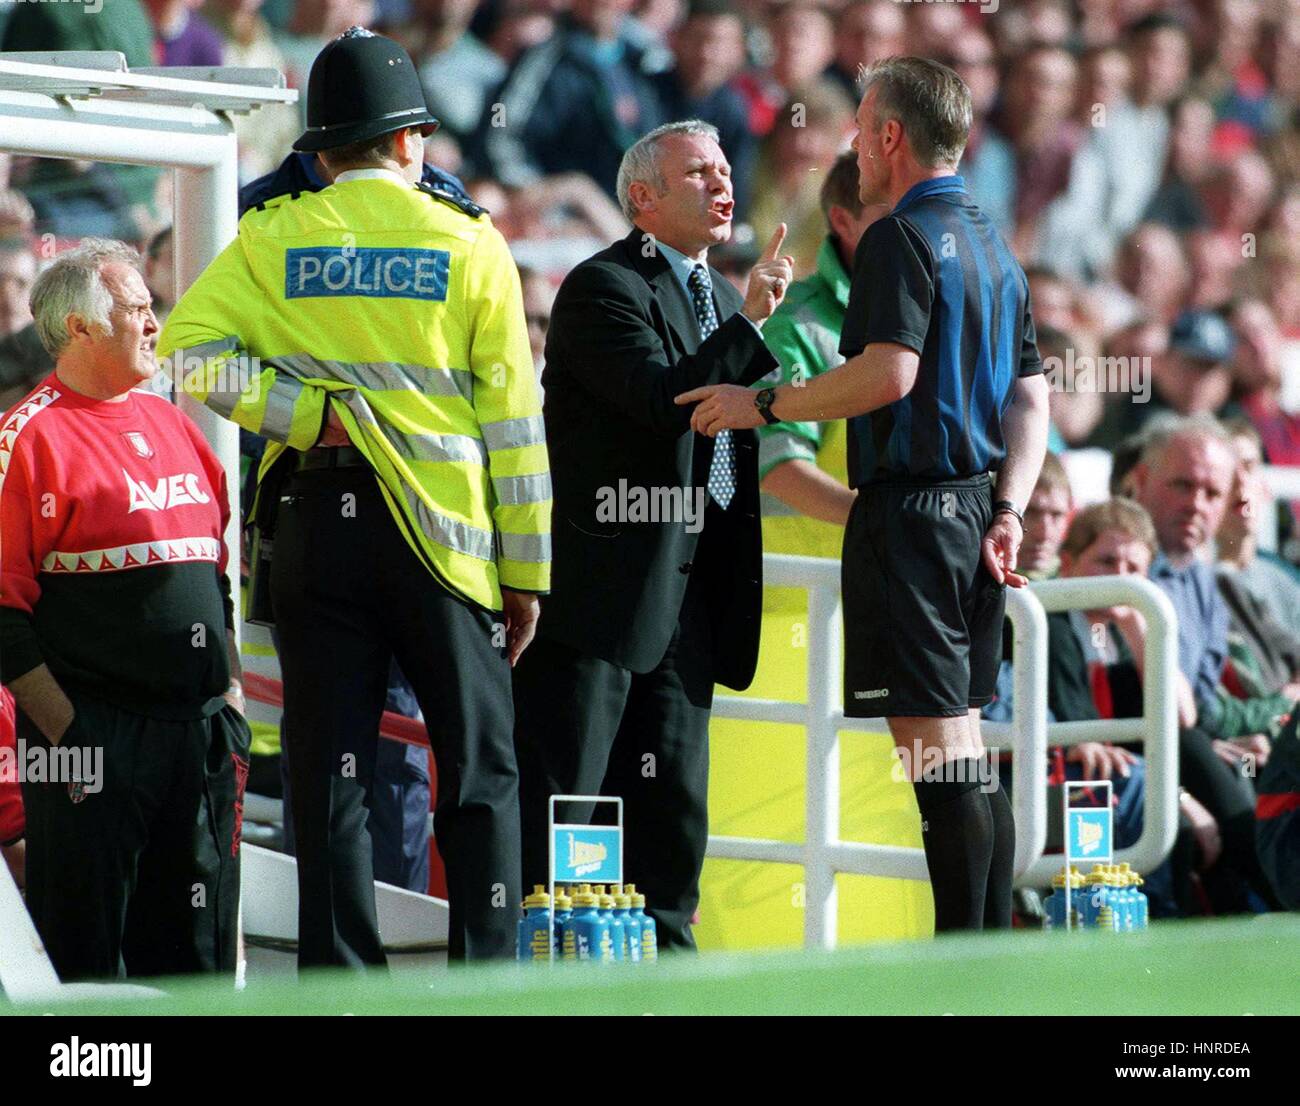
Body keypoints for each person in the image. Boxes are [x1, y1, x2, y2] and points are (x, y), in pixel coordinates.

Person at [159, 27, 550, 967]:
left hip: (314, 535)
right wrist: (527, 571)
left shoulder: (272, 236)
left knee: (327, 770)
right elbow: (515, 427)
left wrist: (305, 414)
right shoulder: (471, 243)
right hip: (448, 546)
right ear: (413, 139)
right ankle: (486, 977)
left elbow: (188, 352)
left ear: (323, 151)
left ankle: (341, 983)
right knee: (479, 770)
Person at [678, 58, 1052, 932]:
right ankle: (989, 953)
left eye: (863, 127)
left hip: (913, 515)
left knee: (938, 758)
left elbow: (889, 373)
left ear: (889, 135)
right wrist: (1011, 509)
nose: (854, 142)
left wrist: (757, 402)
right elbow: (1032, 394)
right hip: (977, 512)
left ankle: (967, 963)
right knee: (965, 748)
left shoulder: (896, 236)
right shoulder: (996, 243)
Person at [511, 119, 790, 950]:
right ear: (642, 198)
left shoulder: (712, 290)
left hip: (693, 595)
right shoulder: (603, 287)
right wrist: (751, 325)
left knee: (672, 808)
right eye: (698, 172)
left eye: (725, 169)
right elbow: (664, 399)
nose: (721, 184)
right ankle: (550, 975)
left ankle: (666, 972)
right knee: (573, 806)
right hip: (603, 601)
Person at [0, 239, 249, 980]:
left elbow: (216, 575)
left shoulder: (174, 424)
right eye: (138, 309)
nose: (154, 324)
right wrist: (72, 732)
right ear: (79, 327)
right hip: (93, 740)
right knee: (88, 963)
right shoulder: (25, 439)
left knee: (197, 964)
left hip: (198, 736)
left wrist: (229, 694)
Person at [753, 151, 883, 558]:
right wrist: (891, 528)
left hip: (876, 602)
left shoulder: (939, 316)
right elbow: (778, 468)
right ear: (844, 222)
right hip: (796, 609)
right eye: (896, 218)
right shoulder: (796, 325)